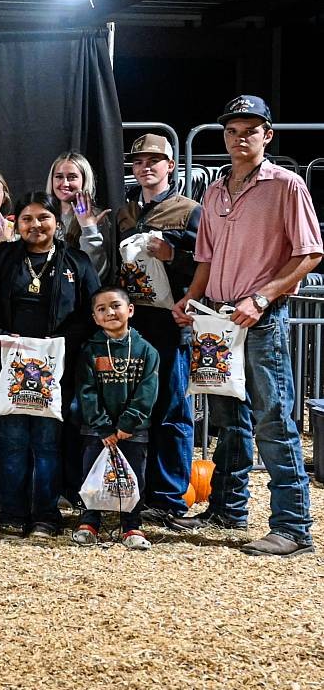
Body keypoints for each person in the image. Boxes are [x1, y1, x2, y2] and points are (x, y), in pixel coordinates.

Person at [174, 94, 320, 557]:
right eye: (233, 131)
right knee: (228, 419)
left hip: (260, 316)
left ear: (267, 135)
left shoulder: (287, 185)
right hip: (217, 318)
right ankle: (227, 508)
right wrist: (191, 298)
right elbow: (205, 256)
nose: (240, 138)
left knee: (273, 418)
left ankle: (293, 527)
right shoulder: (214, 190)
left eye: (250, 130)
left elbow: (310, 252)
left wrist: (262, 297)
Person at [0, 192, 99, 539]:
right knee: (12, 440)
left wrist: (58, 344)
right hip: (7, 364)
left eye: (43, 218)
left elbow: (89, 313)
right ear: (15, 224)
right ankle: (12, 513)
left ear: (57, 222)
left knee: (48, 443)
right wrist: (3, 337)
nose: (36, 225)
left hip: (56, 365)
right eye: (27, 219)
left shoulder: (76, 262)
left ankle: (46, 515)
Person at [114, 133, 203, 533]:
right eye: (139, 162)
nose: (146, 167)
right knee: (135, 406)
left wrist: (176, 255)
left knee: (171, 406)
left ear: (170, 166)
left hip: (171, 322)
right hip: (132, 323)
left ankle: (169, 499)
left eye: (155, 160)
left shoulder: (190, 211)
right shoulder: (125, 212)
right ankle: (135, 491)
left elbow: (209, 262)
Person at [72, 287, 159, 550]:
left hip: (133, 431)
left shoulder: (146, 351)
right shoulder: (90, 351)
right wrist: (102, 426)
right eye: (102, 309)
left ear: (130, 310)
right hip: (96, 430)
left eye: (116, 305)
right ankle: (89, 521)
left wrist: (126, 425)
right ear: (95, 318)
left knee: (133, 477)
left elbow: (148, 391)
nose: (110, 312)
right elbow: (86, 391)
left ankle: (131, 524)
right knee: (93, 477)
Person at [45, 151, 110, 277]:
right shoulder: (43, 215)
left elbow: (96, 272)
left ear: (84, 180)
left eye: (72, 177)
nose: (64, 183)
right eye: (59, 177)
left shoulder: (97, 218)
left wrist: (89, 230)